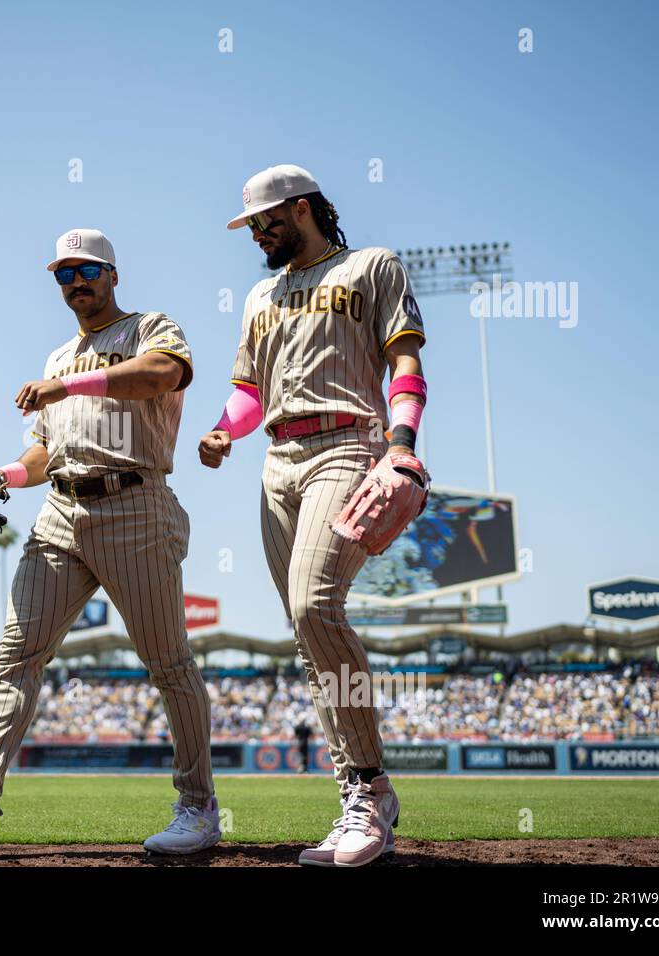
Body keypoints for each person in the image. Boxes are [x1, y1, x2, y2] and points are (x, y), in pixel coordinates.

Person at [0, 229, 218, 856]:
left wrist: (67, 387)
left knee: (167, 663)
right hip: (61, 511)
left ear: (113, 274)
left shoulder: (148, 328)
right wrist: (3, 477)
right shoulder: (57, 357)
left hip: (135, 505)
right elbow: (46, 449)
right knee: (17, 654)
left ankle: (198, 807)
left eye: (87, 270)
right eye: (63, 275)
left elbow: (160, 376)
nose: (76, 283)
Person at [199, 165, 428, 867]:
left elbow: (406, 362)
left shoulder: (369, 265)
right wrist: (222, 429)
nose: (258, 235)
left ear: (301, 209)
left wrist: (402, 449)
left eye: (266, 221)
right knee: (306, 633)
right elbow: (247, 392)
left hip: (349, 442)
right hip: (277, 460)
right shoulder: (259, 295)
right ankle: (354, 801)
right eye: (251, 226)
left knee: (313, 604)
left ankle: (369, 790)